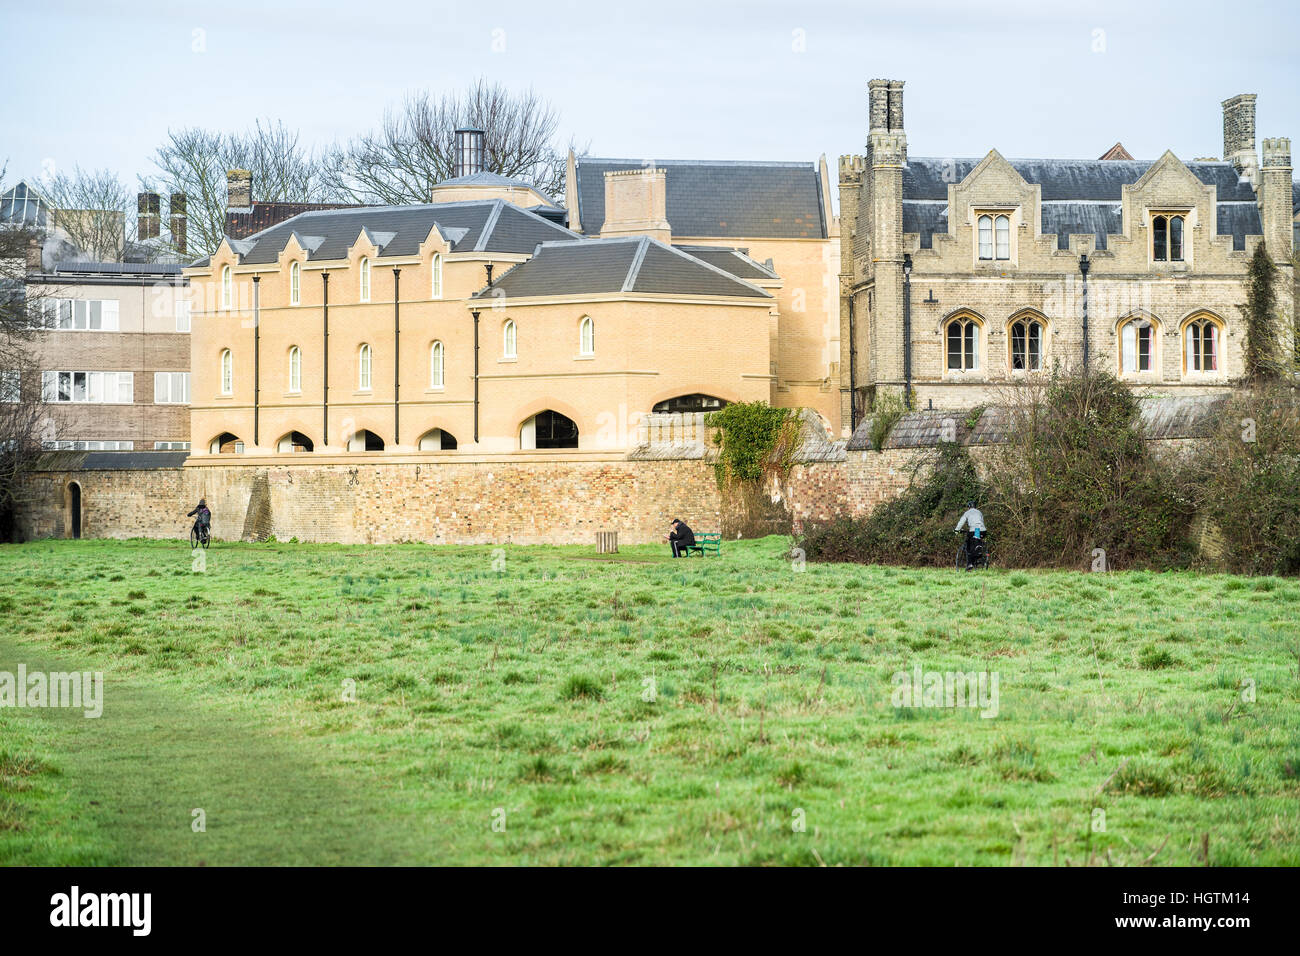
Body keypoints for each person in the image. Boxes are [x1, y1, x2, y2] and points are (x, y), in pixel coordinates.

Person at [955, 500, 986, 570]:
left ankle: (970, 564)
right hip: (983, 530)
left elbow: (961, 522)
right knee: (976, 542)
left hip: (975, 530)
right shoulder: (979, 512)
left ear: (969, 507)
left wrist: (957, 530)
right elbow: (982, 522)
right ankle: (979, 551)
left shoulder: (967, 513)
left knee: (969, 546)